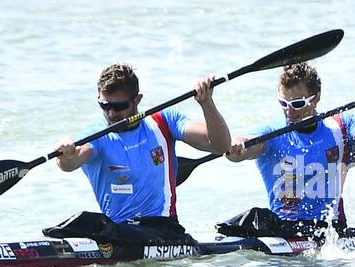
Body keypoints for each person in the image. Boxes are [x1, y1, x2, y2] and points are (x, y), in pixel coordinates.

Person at [47, 63, 230, 244]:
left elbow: (220, 145)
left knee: (95, 225)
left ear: (137, 100)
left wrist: (207, 103)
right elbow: (70, 163)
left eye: (119, 106)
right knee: (86, 221)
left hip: (164, 229)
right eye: (104, 106)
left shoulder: (163, 121)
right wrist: (66, 155)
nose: (110, 114)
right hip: (117, 232)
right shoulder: (97, 136)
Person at [221, 62, 355, 239]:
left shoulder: (340, 126)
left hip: (331, 231)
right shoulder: (273, 134)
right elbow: (243, 149)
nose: (289, 111)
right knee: (254, 218)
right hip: (284, 229)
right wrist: (236, 145)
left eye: (297, 104)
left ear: (316, 98)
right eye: (283, 103)